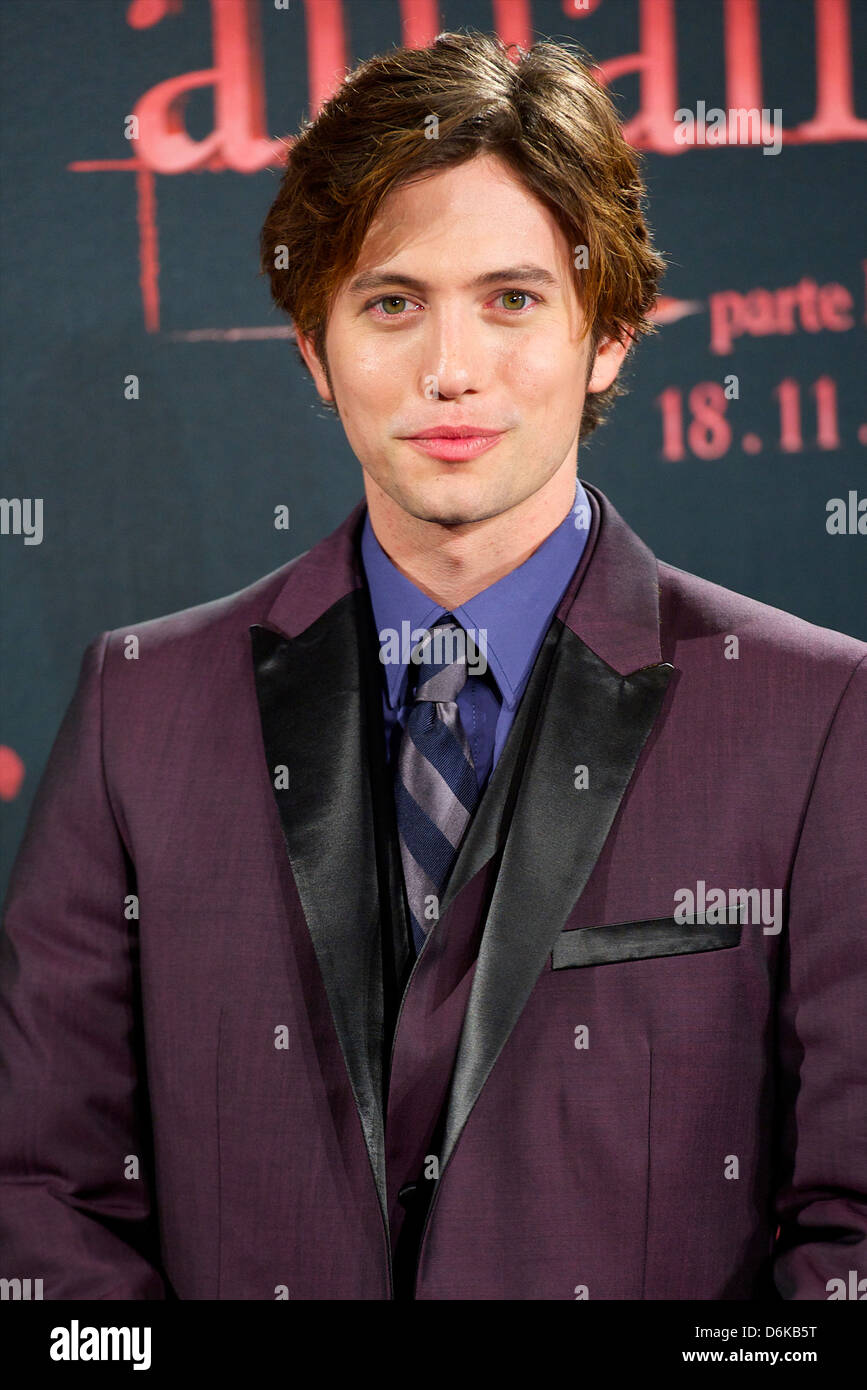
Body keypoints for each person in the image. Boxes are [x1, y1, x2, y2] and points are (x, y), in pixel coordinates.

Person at [1, 30, 864, 1302]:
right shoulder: (143, 709)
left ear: (610, 333)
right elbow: (43, 1198)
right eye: (391, 302)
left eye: (512, 299)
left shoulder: (818, 716)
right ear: (314, 348)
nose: (448, 369)